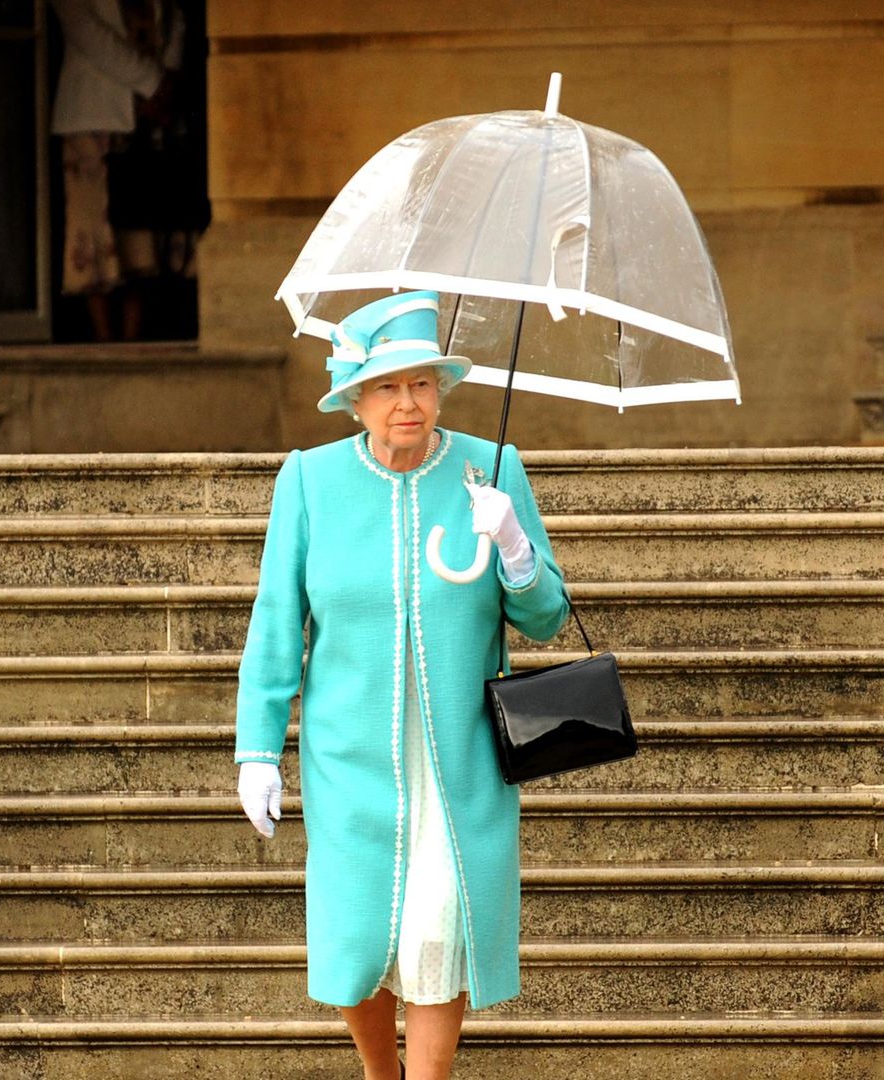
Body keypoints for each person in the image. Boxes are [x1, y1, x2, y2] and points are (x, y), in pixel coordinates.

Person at [234, 290, 571, 1080]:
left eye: (421, 383)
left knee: (438, 927)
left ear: (440, 389)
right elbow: (278, 624)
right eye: (387, 386)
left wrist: (515, 546)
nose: (407, 403)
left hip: (461, 762)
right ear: (356, 399)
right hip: (351, 761)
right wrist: (257, 746)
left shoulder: (492, 469)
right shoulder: (309, 483)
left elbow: (549, 616)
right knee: (355, 939)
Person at [48, 0, 184, 341]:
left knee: (140, 235)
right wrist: (151, 81)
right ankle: (103, 337)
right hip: (95, 112)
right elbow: (83, 28)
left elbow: (173, 17)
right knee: (93, 226)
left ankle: (133, 336)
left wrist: (166, 77)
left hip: (148, 120)